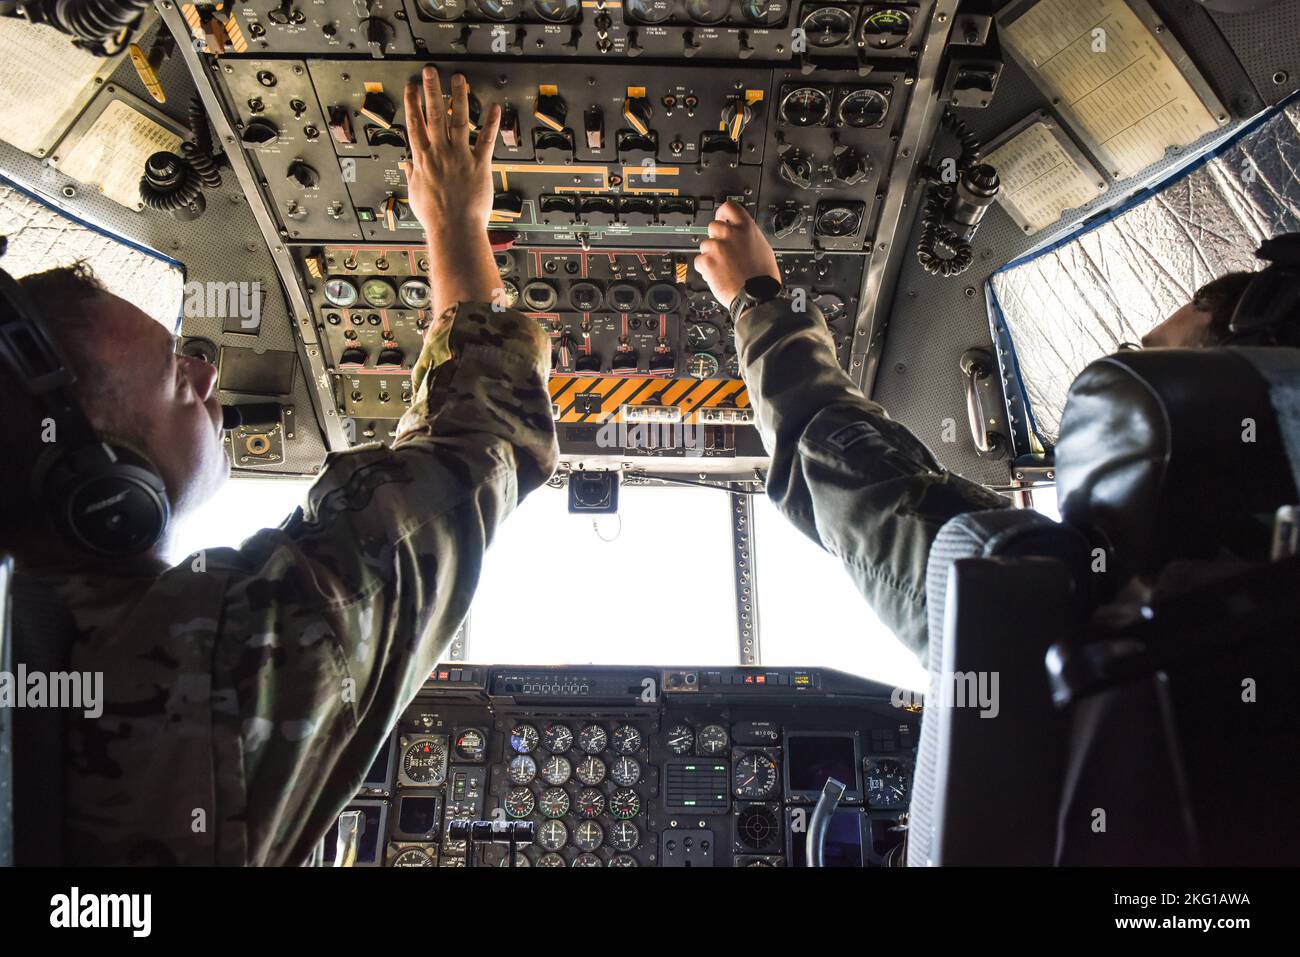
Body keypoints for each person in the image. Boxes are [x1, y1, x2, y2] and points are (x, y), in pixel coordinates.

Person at [0, 68, 557, 865]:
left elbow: (468, 450)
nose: (203, 374)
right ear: (107, 497)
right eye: (175, 371)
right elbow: (482, 441)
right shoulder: (215, 660)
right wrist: (456, 221)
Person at [691, 206, 1282, 660]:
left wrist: (758, 299)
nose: (1118, 379)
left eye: (1141, 364)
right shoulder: (1208, 595)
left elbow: (855, 488)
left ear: (1218, 409)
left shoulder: (1094, 600)